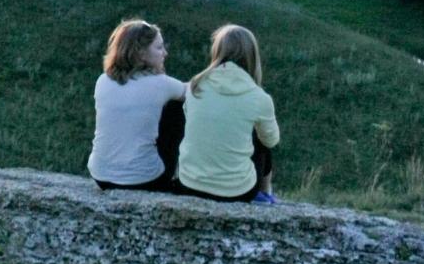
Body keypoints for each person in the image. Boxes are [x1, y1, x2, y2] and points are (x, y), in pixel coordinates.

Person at [176, 24, 280, 204]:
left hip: (189, 184)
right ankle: (265, 194)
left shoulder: (195, 86)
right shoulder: (259, 97)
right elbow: (271, 141)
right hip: (237, 191)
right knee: (261, 137)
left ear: (217, 51)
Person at [87, 18, 188, 192]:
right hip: (146, 180)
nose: (165, 53)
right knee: (176, 107)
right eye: (159, 47)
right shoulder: (161, 84)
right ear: (140, 53)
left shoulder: (102, 80)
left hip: (100, 176)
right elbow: (195, 93)